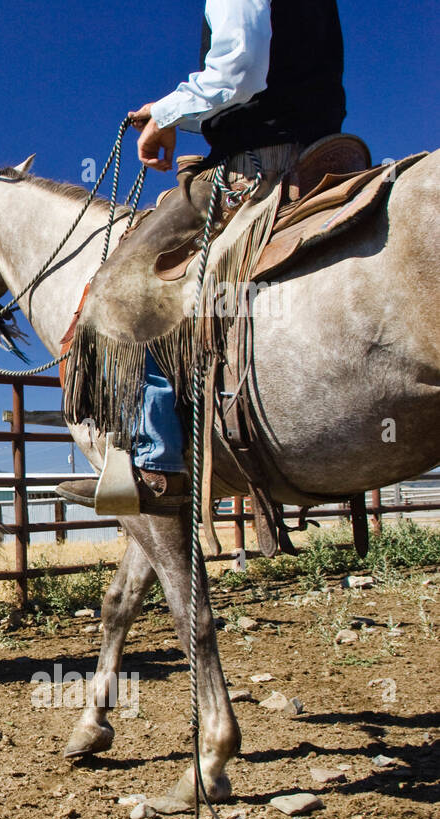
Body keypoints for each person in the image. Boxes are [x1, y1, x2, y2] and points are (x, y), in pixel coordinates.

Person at [56, 0, 346, 514]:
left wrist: (165, 113)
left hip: (257, 165)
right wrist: (170, 115)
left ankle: (157, 467)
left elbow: (238, 70)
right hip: (326, 151)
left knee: (121, 285)